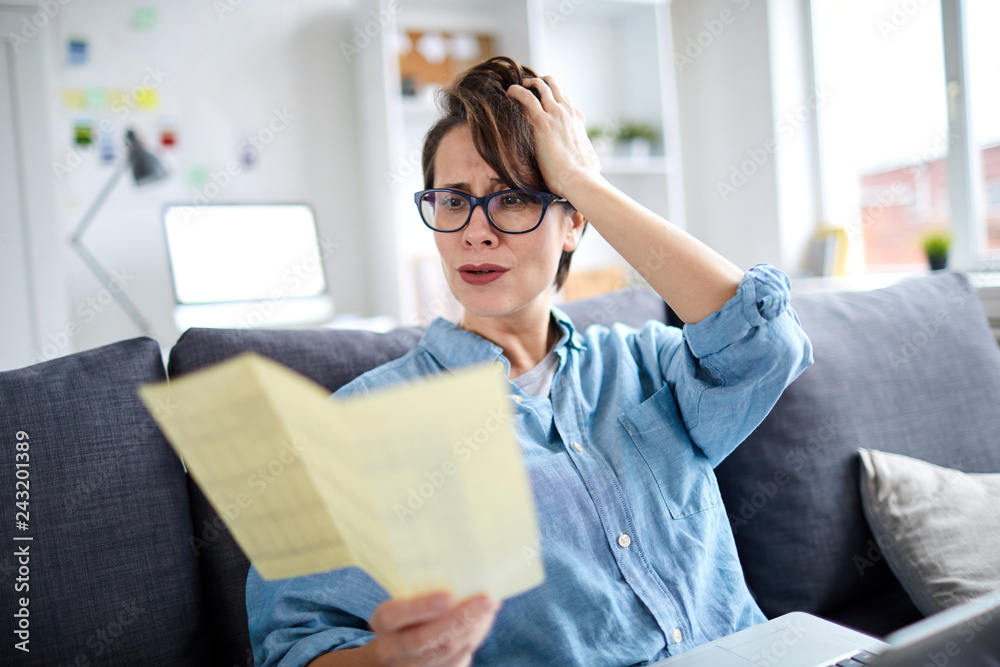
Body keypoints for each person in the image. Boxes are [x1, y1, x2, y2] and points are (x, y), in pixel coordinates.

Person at [246, 56, 813, 667]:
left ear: (573, 222)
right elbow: (296, 643)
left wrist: (584, 181)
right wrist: (392, 658)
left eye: (513, 199)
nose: (476, 232)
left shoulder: (646, 364)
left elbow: (769, 345)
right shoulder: (362, 423)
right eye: (452, 201)